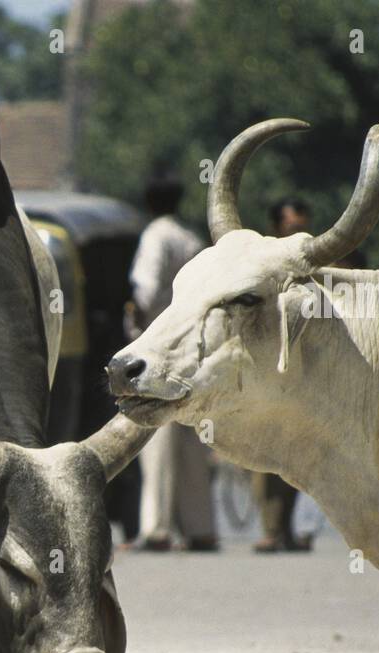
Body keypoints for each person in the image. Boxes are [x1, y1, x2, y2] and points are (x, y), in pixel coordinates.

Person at [128, 173, 217, 552]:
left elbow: (144, 290)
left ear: (148, 203)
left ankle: (157, 528)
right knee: (193, 438)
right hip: (192, 348)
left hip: (157, 348)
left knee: (156, 438)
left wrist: (134, 326)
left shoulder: (155, 236)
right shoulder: (192, 239)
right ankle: (201, 528)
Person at [252, 198, 313, 553]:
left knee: (301, 452)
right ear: (277, 228)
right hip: (270, 368)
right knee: (266, 453)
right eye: (291, 227)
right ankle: (271, 529)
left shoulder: (317, 261)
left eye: (303, 226)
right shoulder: (264, 263)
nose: (299, 234)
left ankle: (289, 529)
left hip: (307, 370)